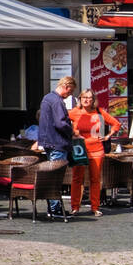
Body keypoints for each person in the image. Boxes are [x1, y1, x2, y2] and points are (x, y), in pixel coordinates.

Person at [68, 89, 121, 216]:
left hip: (97, 149)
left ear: (93, 100)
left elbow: (116, 124)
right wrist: (72, 134)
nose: (86, 100)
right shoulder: (74, 112)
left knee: (95, 179)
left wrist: (108, 136)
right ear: (80, 99)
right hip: (79, 149)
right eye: (84, 97)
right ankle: (75, 207)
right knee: (77, 178)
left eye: (89, 98)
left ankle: (95, 207)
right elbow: (62, 124)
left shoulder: (99, 112)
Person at [36, 76, 76, 217]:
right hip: (57, 142)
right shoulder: (57, 101)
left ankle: (53, 207)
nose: (69, 95)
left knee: (52, 174)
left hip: (48, 142)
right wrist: (72, 131)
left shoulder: (47, 98)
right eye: (70, 92)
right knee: (56, 176)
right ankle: (55, 208)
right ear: (66, 86)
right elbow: (60, 123)